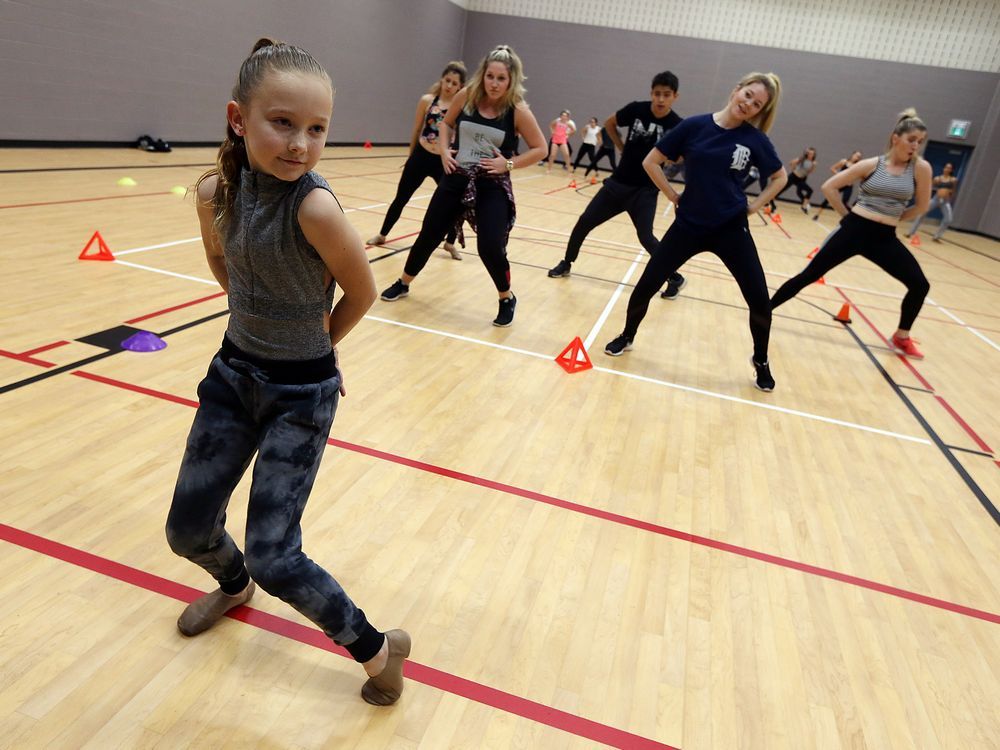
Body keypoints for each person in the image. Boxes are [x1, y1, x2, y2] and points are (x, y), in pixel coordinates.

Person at [165, 39, 409, 707]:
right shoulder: (215, 191)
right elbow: (223, 261)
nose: (300, 142)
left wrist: (316, 355)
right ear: (238, 119)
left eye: (317, 129)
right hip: (232, 375)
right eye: (282, 122)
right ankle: (232, 584)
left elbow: (360, 293)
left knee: (278, 554)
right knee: (187, 530)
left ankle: (377, 649)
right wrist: (249, 316)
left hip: (301, 394)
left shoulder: (315, 208)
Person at [603, 72, 788, 392]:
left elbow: (780, 177)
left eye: (756, 104)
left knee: (759, 299)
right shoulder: (694, 126)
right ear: (736, 89)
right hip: (689, 224)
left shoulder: (756, 140)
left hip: (731, 227)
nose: (748, 105)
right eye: (747, 95)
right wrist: (673, 195)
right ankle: (627, 335)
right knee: (647, 284)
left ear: (759, 111)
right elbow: (651, 161)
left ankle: (760, 360)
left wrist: (755, 206)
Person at [379, 45, 547, 327]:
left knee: (491, 246)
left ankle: (506, 297)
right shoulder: (467, 95)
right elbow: (446, 123)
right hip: (456, 177)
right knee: (429, 234)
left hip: (491, 185)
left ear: (511, 80)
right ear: (482, 75)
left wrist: (507, 164)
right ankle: (404, 282)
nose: (494, 83)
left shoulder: (517, 111)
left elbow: (540, 148)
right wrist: (444, 151)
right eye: (490, 76)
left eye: (501, 78)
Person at [771, 110, 932, 358]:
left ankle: (902, 336)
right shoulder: (872, 164)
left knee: (920, 285)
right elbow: (829, 187)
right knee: (809, 275)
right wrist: (847, 217)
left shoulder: (921, 168)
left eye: (920, 141)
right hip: (854, 229)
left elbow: (921, 206)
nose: (916, 145)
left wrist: (895, 218)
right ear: (895, 138)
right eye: (912, 139)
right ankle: (764, 309)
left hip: (884, 238)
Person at [546, 71, 687, 300]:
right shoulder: (636, 109)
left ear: (675, 96)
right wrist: (620, 145)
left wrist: (671, 159)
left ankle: (675, 277)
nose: (661, 99)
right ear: (651, 93)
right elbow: (610, 123)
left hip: (645, 190)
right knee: (584, 222)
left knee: (646, 237)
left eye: (666, 95)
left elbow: (684, 154)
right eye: (657, 94)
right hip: (618, 184)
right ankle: (567, 262)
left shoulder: (677, 124)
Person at [368, 62, 467, 260]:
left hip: (443, 160)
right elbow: (416, 128)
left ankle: (450, 242)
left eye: (454, 83)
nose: (449, 85)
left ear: (460, 87)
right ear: (441, 79)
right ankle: (383, 234)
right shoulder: (427, 100)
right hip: (421, 156)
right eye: (447, 80)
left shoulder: (460, 107)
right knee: (401, 197)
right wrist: (411, 155)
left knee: (456, 202)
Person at [907, 162, 958, 242]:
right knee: (921, 213)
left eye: (949, 168)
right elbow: (929, 188)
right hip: (935, 199)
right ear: (943, 168)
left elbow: (954, 191)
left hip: (945, 201)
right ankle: (910, 233)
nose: (947, 169)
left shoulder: (953, 180)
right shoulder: (938, 179)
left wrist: (950, 200)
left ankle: (936, 237)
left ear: (951, 170)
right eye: (946, 167)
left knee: (948, 219)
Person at [812, 150, 862, 221]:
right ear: (853, 154)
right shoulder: (844, 161)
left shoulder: (858, 165)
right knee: (828, 198)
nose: (857, 157)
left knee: (845, 201)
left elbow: (858, 176)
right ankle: (817, 215)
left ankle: (848, 217)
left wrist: (852, 181)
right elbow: (832, 168)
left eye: (859, 157)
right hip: (840, 183)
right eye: (856, 155)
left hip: (848, 185)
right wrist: (839, 175)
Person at [771, 147, 816, 214]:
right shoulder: (802, 159)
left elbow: (810, 171)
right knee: (782, 189)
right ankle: (771, 203)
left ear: (814, 155)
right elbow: (791, 163)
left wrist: (805, 174)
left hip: (801, 179)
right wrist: (794, 169)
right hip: (793, 177)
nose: (810, 154)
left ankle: (804, 206)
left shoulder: (813, 163)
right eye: (809, 153)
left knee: (808, 191)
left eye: (812, 153)